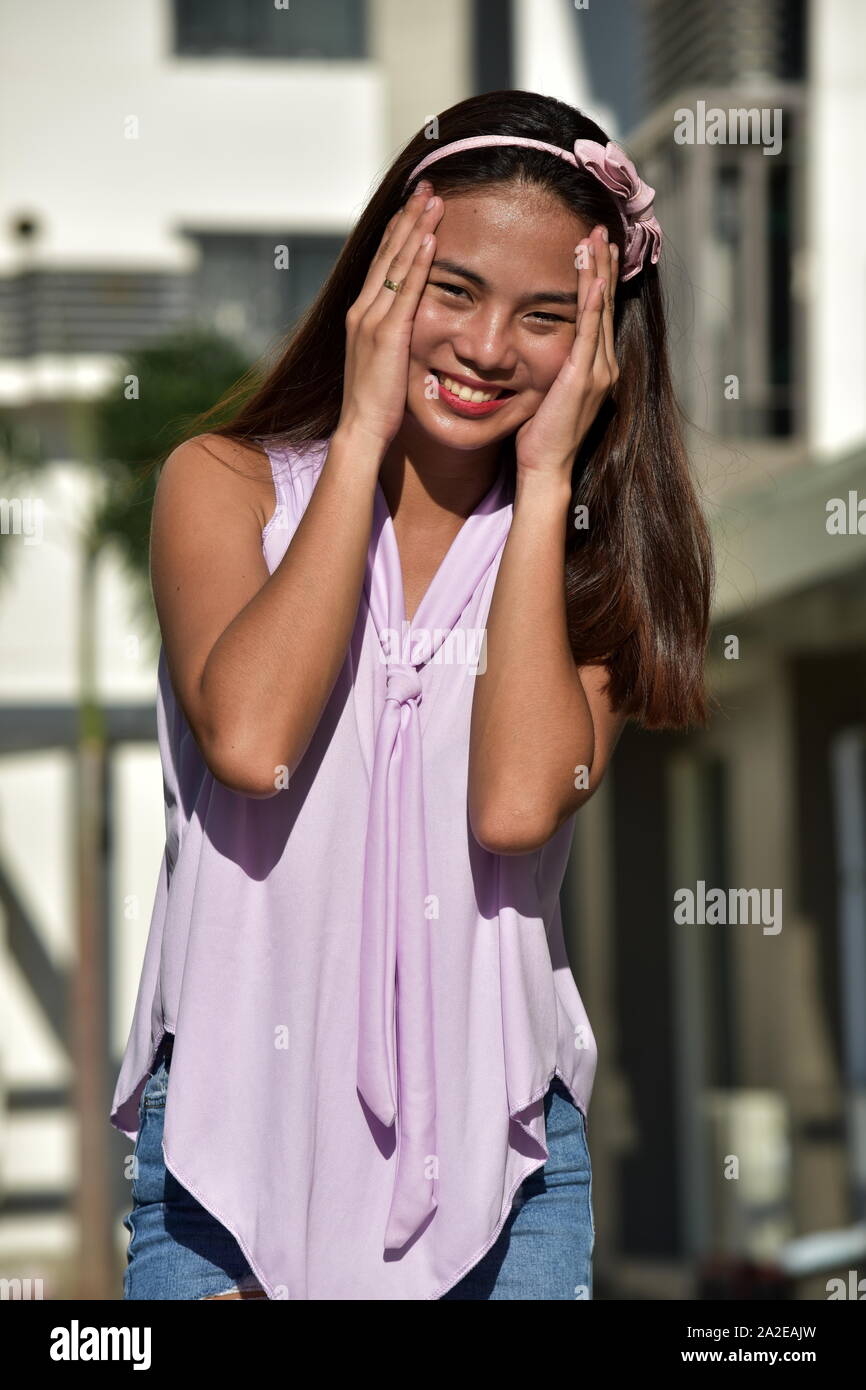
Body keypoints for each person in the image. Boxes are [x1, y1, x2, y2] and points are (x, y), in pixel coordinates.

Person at [112, 89, 713, 1300]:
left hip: (509, 1178)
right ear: (380, 278)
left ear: (598, 342)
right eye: (453, 290)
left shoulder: (593, 565)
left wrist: (543, 493)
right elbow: (252, 735)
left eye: (545, 315)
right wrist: (359, 433)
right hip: (232, 1153)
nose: (490, 348)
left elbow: (509, 808)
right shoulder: (226, 486)